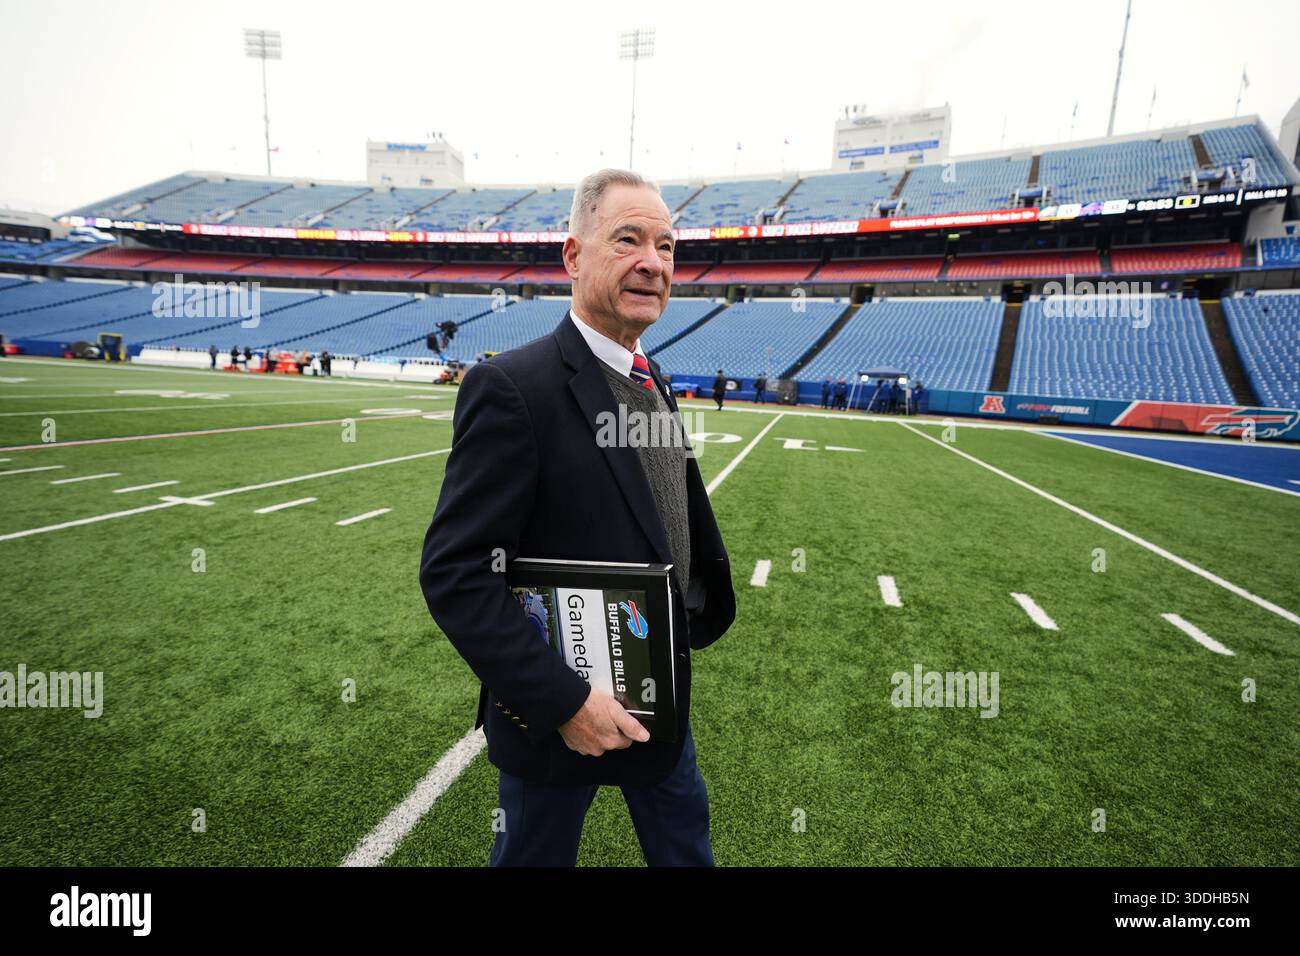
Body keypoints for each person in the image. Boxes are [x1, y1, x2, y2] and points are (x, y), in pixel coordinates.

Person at [420, 168, 736, 867]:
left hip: (658, 699)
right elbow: (456, 573)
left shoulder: (652, 380)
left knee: (687, 852)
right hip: (558, 716)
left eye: (666, 246)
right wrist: (564, 702)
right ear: (572, 256)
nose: (653, 262)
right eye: (628, 240)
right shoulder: (513, 388)